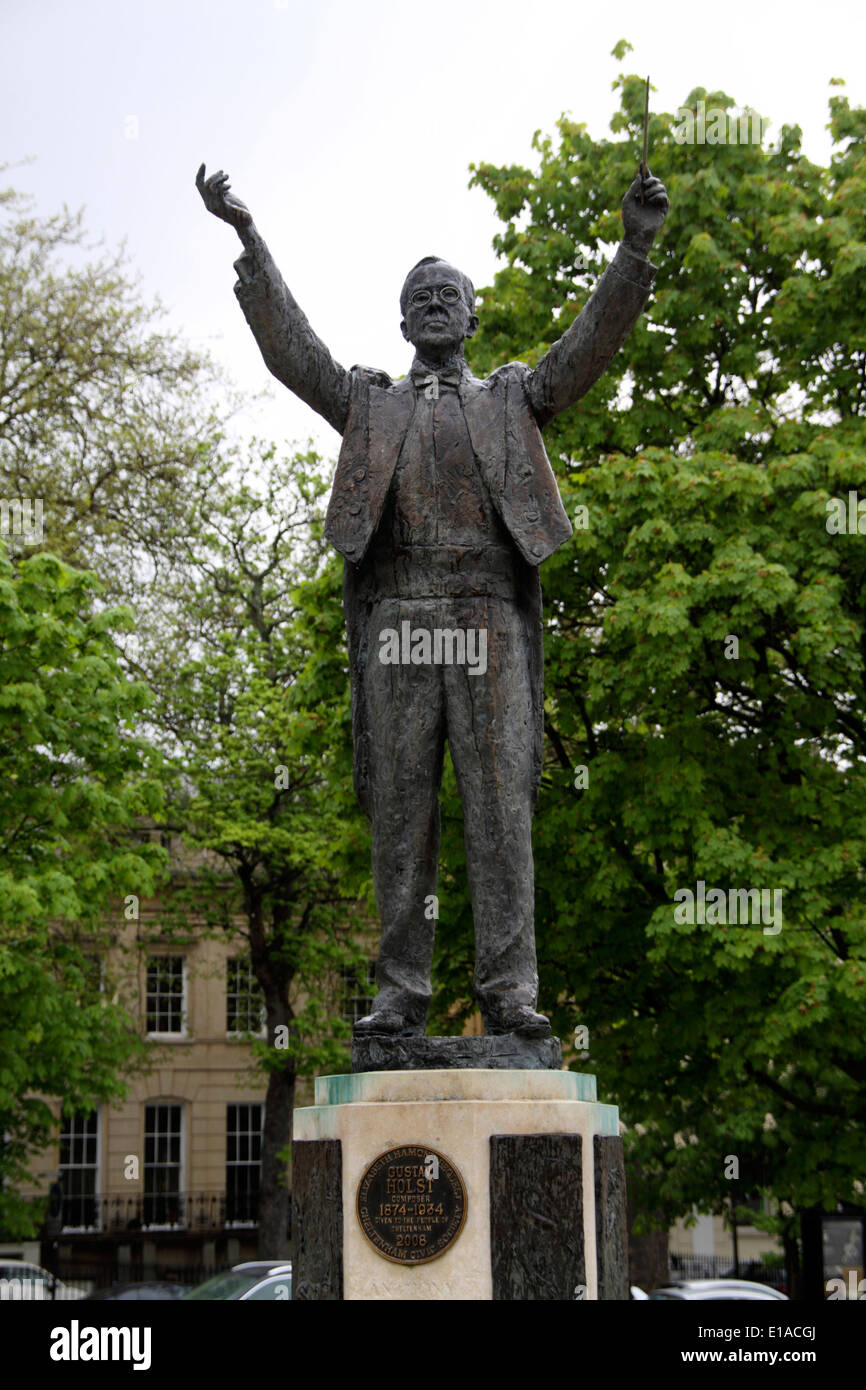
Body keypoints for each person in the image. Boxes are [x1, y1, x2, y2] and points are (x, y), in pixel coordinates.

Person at [196, 161, 669, 1038]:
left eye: (449, 294)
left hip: (489, 622)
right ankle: (400, 995)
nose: (434, 305)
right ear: (401, 321)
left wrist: (634, 247)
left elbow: (586, 349)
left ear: (473, 315)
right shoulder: (368, 404)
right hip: (402, 625)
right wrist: (250, 243)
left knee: (500, 809)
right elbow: (293, 353)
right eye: (419, 297)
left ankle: (509, 994)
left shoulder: (514, 398)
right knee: (402, 814)